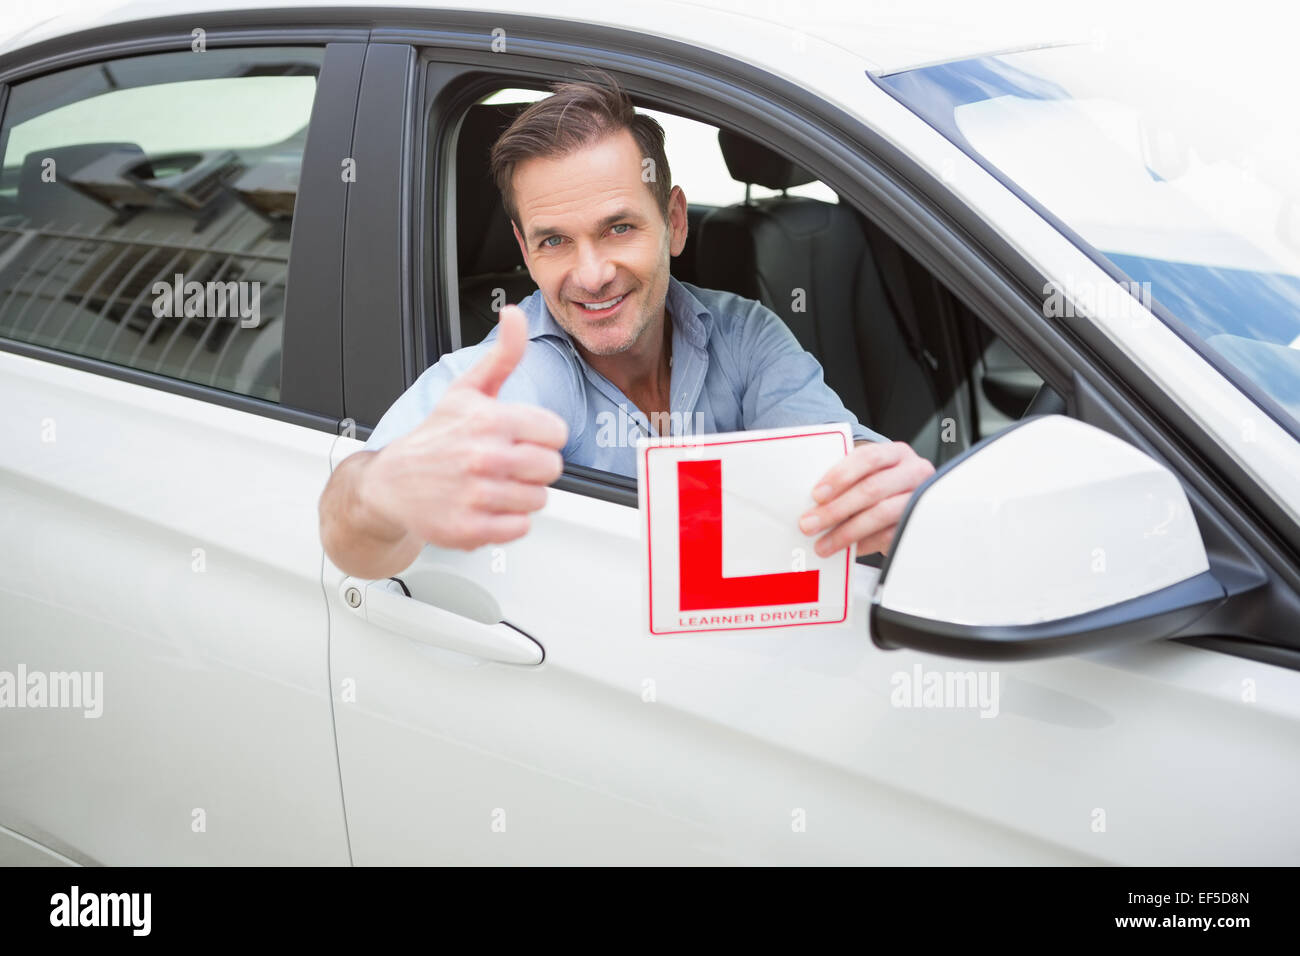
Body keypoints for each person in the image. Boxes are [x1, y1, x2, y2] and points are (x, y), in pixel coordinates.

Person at [319, 75, 935, 580]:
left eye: (619, 228)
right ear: (525, 251)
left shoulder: (746, 334)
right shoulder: (513, 375)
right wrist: (381, 490)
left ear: (673, 221)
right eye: (555, 240)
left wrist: (895, 494)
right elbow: (350, 540)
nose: (591, 275)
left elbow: (835, 459)